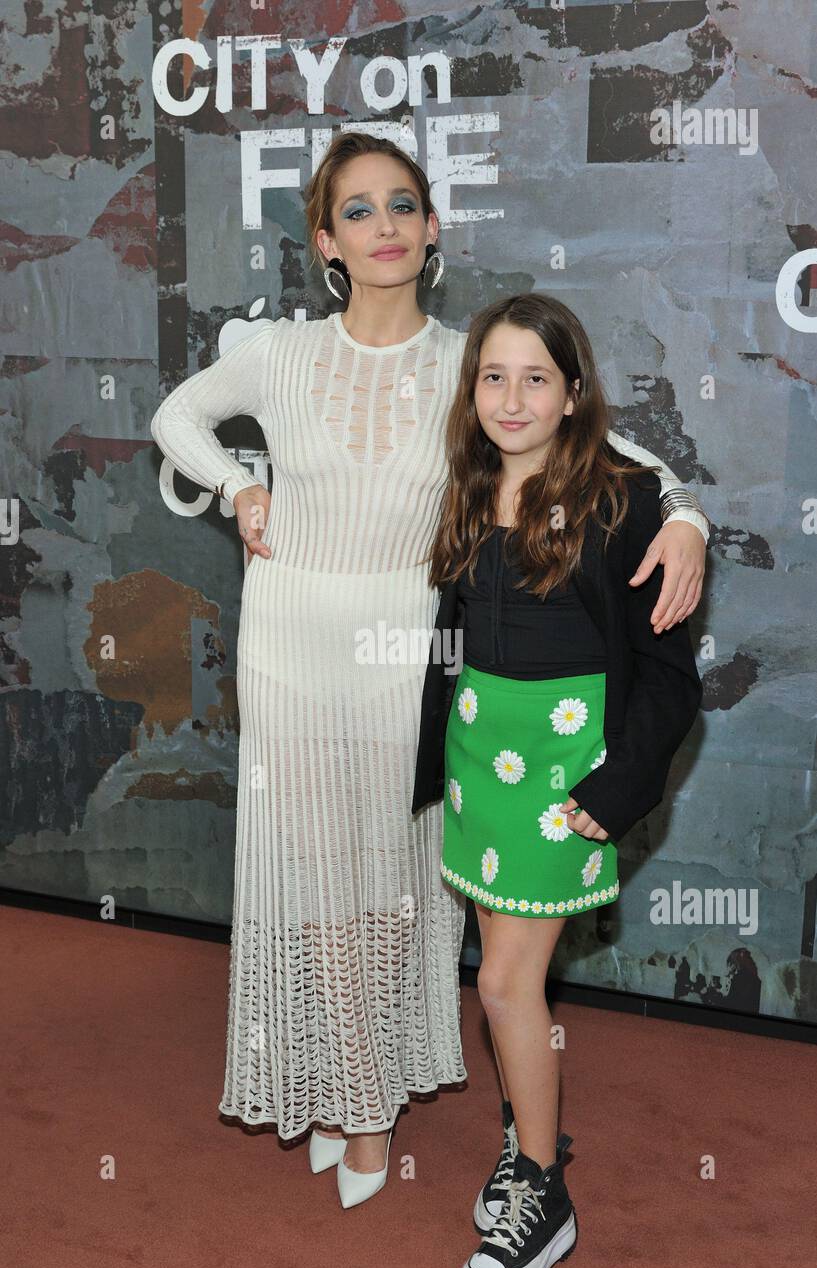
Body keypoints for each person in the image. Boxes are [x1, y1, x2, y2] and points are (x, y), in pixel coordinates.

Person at [150, 132, 710, 1213]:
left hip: (414, 659)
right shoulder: (276, 354)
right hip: (288, 647)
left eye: (402, 204)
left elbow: (611, 448)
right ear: (325, 240)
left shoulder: (470, 359)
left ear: (432, 229)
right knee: (308, 878)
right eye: (357, 211)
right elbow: (177, 415)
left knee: (394, 889)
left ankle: (370, 1109)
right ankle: (323, 1085)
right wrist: (234, 488)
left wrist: (682, 514)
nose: (385, 226)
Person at [411, 292, 704, 1268]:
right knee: (502, 974)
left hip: (563, 771)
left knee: (500, 985)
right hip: (477, 759)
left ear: (575, 394)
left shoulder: (624, 502)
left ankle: (543, 1190)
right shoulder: (467, 484)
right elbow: (449, 637)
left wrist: (616, 785)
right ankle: (526, 1142)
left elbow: (670, 677)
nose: (511, 395)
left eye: (536, 376)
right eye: (492, 375)